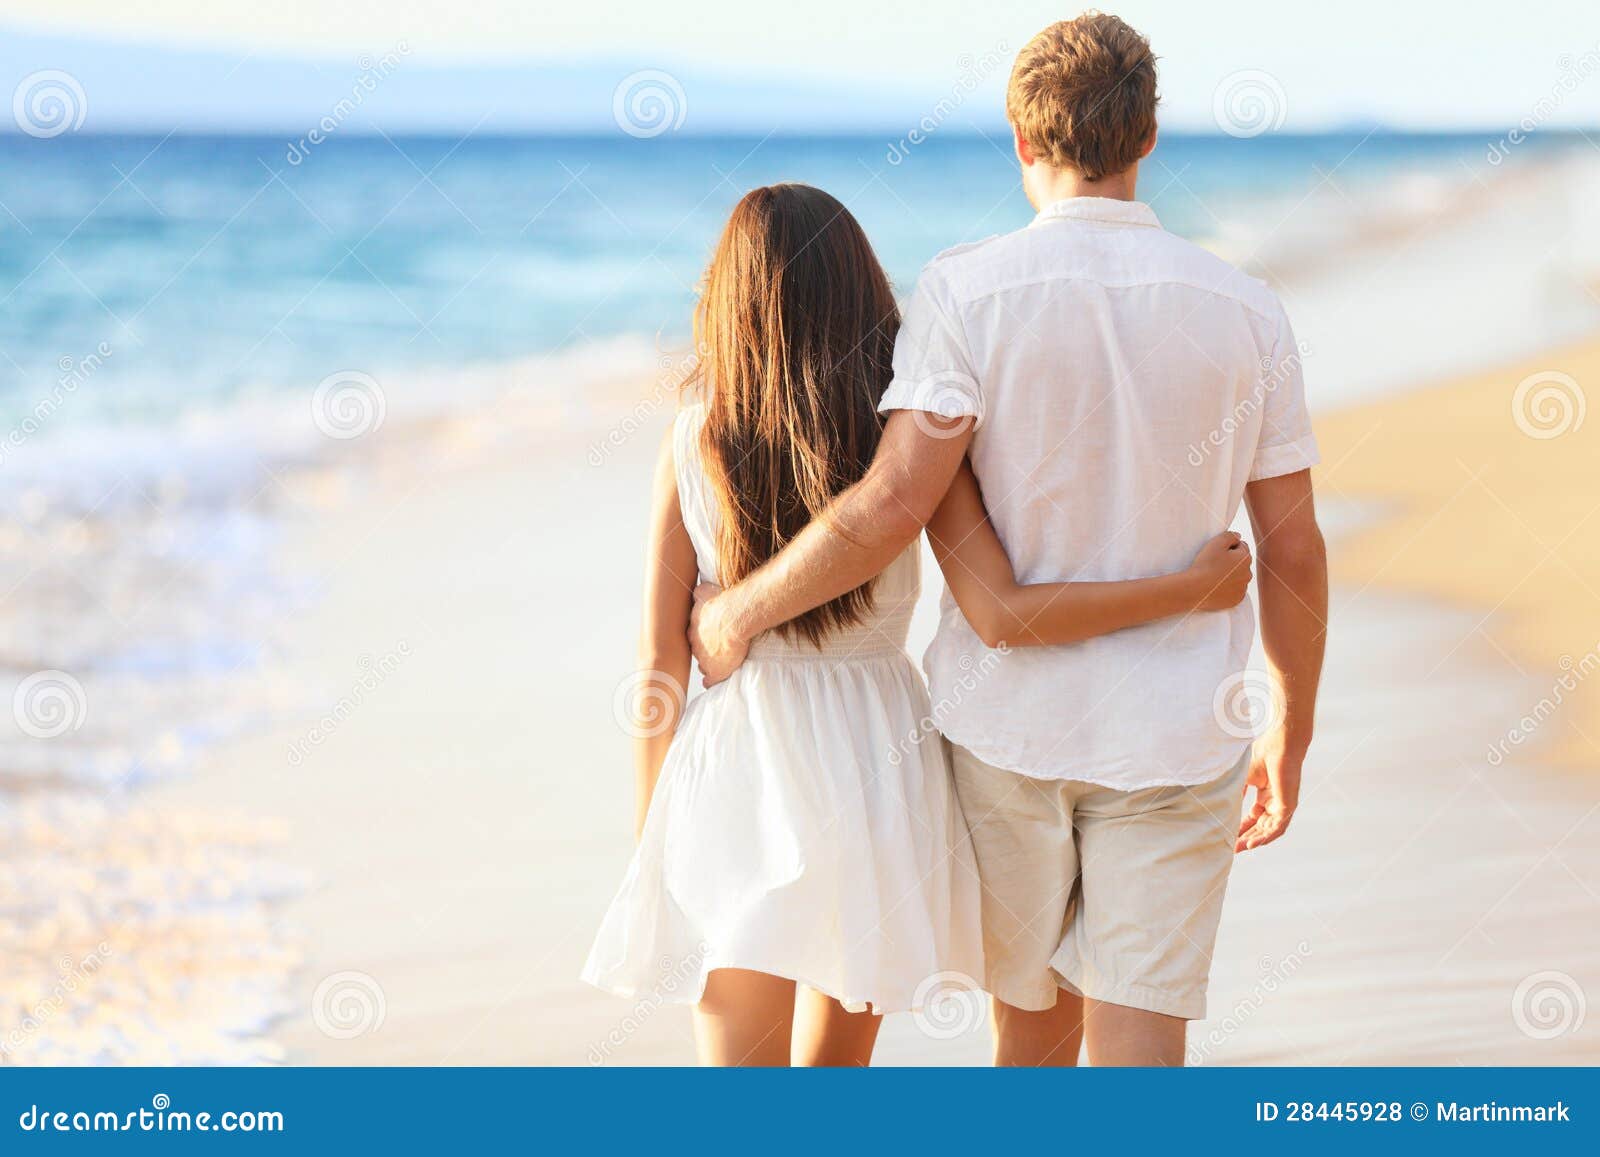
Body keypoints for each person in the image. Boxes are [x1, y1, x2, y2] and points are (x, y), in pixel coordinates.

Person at [689, 14, 1329, 1067]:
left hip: (1005, 735)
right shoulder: (1247, 309)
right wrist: (1288, 732)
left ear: (1021, 138)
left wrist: (735, 613)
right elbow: (1293, 552)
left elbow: (893, 502)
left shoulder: (966, 291)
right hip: (1178, 732)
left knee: (1030, 1038)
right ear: (1149, 134)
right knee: (1142, 1033)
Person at [582, 181, 1256, 1066]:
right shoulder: (903, 445)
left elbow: (658, 660)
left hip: (737, 766)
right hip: (875, 759)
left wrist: (651, 834)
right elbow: (1002, 606)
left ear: (728, 299)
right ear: (863, 292)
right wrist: (1185, 588)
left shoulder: (693, 438)